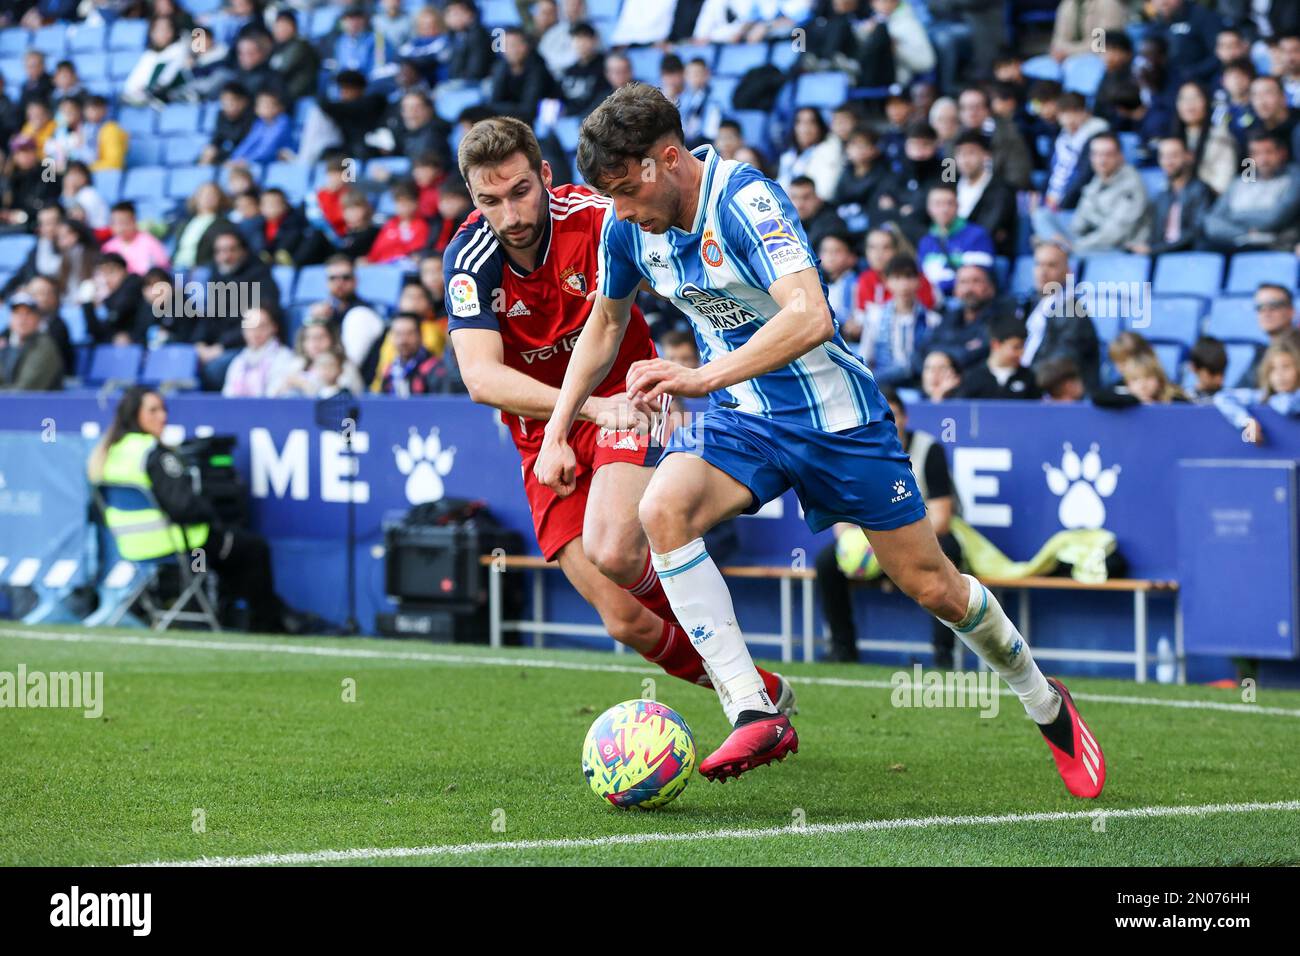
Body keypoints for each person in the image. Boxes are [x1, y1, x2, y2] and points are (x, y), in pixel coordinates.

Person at [536, 84, 1106, 797]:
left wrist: (700, 376)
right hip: (745, 415)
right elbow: (605, 323)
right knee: (661, 511)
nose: (617, 212)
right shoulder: (629, 230)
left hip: (839, 422)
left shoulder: (746, 201)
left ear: (667, 161)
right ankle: (752, 706)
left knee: (933, 587)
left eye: (624, 191)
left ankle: (1044, 700)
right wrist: (562, 425)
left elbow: (811, 319)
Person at [444, 115, 795, 717]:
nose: (511, 216)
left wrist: (688, 374)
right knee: (625, 620)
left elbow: (687, 272)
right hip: (545, 436)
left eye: (522, 192)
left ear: (546, 176)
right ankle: (756, 685)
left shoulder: (600, 216)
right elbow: (481, 379)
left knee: (616, 549)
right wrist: (573, 415)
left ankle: (743, 697)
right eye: (490, 200)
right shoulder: (470, 259)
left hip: (628, 406)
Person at [87, 386, 294, 634]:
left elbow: (95, 510)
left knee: (230, 549)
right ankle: (266, 626)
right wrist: (211, 513)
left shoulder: (107, 453)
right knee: (252, 548)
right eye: (153, 410)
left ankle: (209, 613)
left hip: (131, 549)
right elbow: (183, 507)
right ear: (134, 415)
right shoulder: (154, 454)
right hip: (183, 546)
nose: (162, 416)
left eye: (164, 409)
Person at [815, 386, 961, 665]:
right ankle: (842, 648)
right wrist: (861, 544)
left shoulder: (929, 450)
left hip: (923, 535)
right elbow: (842, 520)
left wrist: (897, 537)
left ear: (904, 418)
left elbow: (942, 517)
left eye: (892, 416)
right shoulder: (855, 454)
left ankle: (944, 653)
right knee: (826, 561)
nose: (885, 423)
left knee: (949, 554)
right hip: (874, 539)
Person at [1015, 238, 1101, 391]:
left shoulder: (1074, 313)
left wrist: (1019, 379)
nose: (1043, 271)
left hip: (1052, 392)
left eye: (1051, 265)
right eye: (1038, 264)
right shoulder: (1027, 304)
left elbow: (1060, 364)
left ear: (1068, 272)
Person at [1201, 129, 1300, 252]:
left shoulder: (1294, 179)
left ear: (1281, 153)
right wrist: (1247, 233)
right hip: (1234, 244)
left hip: (1276, 247)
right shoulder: (1238, 183)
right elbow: (1212, 222)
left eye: (1269, 152)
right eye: (1256, 153)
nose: (1263, 159)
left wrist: (1234, 216)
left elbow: (1274, 218)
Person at [1130, 136, 1216, 255]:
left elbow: (1196, 232)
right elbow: (1155, 234)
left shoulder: (1201, 190)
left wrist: (1155, 250)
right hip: (1160, 257)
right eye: (1163, 156)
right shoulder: (1162, 196)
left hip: (1190, 257)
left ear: (1188, 156)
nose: (1168, 162)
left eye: (1174, 155)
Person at [916, 182, 995, 299]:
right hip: (933, 302)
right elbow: (921, 278)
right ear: (929, 208)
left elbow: (979, 278)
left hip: (965, 301)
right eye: (937, 204)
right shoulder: (925, 241)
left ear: (958, 206)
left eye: (949, 203)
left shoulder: (977, 235)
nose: (944, 209)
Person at [1213, 339, 1300, 443]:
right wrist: (1247, 421)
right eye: (1273, 369)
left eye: (1286, 367)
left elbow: (1288, 406)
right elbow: (1223, 397)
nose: (1279, 375)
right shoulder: (1264, 396)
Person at [953, 315, 1043, 399]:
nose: (1021, 353)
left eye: (1023, 347)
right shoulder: (972, 377)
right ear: (996, 345)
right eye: (1016, 347)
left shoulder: (1029, 378)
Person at [222, 308, 296, 398]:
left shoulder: (285, 358)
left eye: (261, 326)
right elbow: (228, 396)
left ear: (274, 327)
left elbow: (276, 397)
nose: (255, 332)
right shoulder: (238, 361)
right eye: (250, 326)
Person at [0, 293, 63, 391]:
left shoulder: (44, 346)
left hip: (40, 405)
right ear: (10, 319)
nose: (22, 318)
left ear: (38, 319)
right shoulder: (9, 345)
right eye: (17, 313)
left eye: (28, 313)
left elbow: (25, 390)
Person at [102, 202, 172, 275]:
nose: (120, 228)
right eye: (116, 223)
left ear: (134, 221)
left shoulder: (149, 242)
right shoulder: (108, 248)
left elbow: (163, 267)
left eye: (124, 222)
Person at [1187, 335, 1227, 400]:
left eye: (1222, 371)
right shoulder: (1183, 399)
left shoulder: (1231, 400)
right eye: (1212, 372)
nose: (1219, 379)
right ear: (1193, 367)